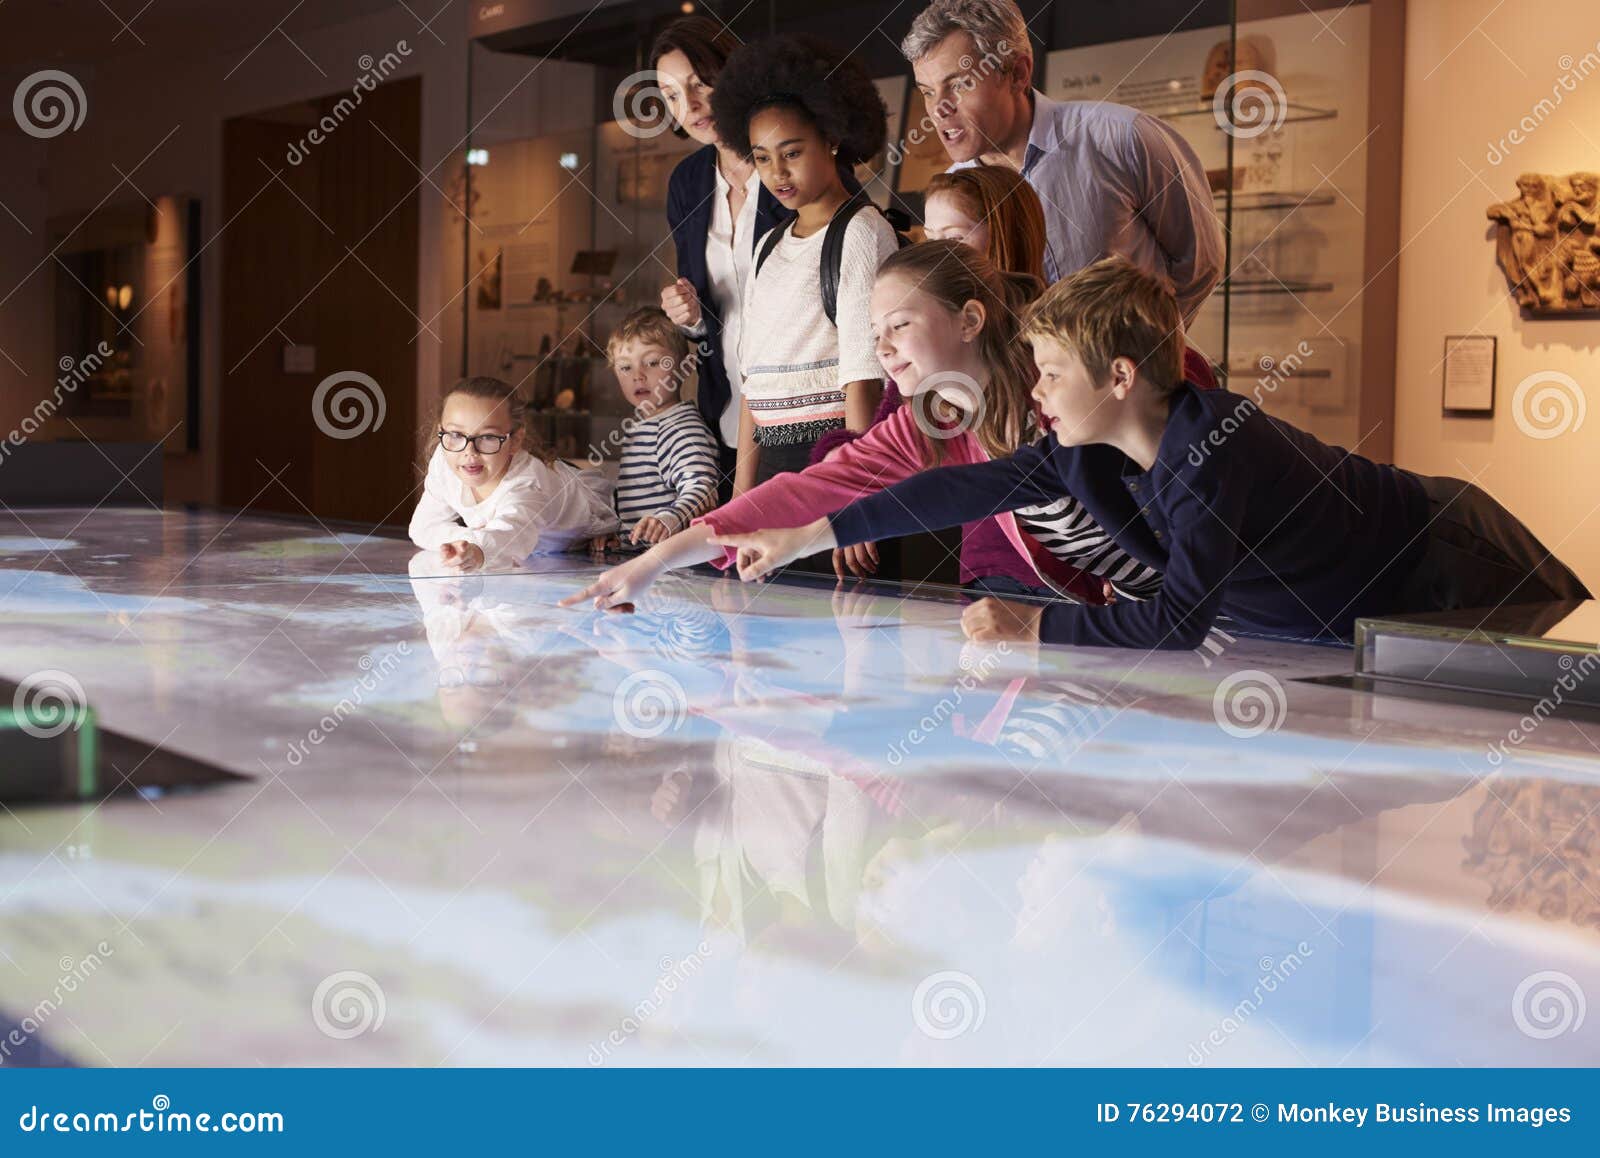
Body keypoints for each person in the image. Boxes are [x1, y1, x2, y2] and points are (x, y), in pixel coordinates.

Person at [710, 257, 1590, 647]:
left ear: (1120, 376)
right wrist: (801, 538)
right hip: (1347, 618)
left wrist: (1036, 624)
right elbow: (950, 495)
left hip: (1454, 563)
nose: (1037, 395)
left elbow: (1178, 621)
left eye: (1051, 373)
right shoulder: (1078, 451)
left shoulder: (1212, 453)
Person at [559, 240, 1159, 614]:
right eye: (875, 336)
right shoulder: (937, 421)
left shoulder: (1060, 387)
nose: (886, 351)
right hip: (1148, 617)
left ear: (970, 319)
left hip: (1216, 604)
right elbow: (809, 489)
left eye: (899, 325)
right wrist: (654, 562)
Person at [903, 0, 1224, 323]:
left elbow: (1199, 263)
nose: (939, 110)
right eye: (928, 92)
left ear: (1018, 73)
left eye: (959, 84)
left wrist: (1148, 353)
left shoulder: (1122, 137)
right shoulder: (951, 192)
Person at [709, 34, 899, 498]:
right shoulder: (768, 245)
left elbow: (864, 377)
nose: (777, 173)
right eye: (761, 158)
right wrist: (741, 499)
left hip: (834, 454)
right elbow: (754, 384)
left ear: (831, 139)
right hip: (769, 460)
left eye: (791, 153)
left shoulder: (862, 231)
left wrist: (856, 497)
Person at [654, 16, 793, 501]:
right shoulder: (687, 182)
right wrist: (688, 317)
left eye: (698, 84)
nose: (688, 106)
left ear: (731, 74)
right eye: (671, 95)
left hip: (799, 413)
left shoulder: (787, 159)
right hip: (724, 410)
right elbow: (706, 314)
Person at [409, 376, 616, 572]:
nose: (469, 452)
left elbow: (508, 537)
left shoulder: (528, 483)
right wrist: (468, 540)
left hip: (587, 513)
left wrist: (477, 548)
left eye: (488, 437)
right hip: (536, 546)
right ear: (441, 430)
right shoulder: (445, 458)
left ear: (515, 440)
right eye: (455, 434)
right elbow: (421, 528)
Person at [603, 307, 720, 548]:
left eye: (653, 362)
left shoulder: (680, 429)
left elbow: (703, 490)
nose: (638, 375)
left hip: (676, 569)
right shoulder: (643, 427)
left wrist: (669, 519)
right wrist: (620, 537)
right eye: (625, 367)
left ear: (685, 366)